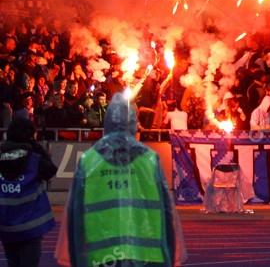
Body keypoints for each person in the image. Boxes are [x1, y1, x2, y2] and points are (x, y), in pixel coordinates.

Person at [56, 92, 185, 266]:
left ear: (107, 122)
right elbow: (167, 212)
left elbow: (75, 215)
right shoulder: (149, 160)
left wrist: (76, 258)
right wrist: (170, 255)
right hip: (146, 256)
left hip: (101, 257)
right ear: (133, 123)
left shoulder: (90, 160)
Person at [0, 117, 56, 267]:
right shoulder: (34, 159)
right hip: (30, 227)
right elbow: (51, 170)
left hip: (5, 226)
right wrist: (36, 147)